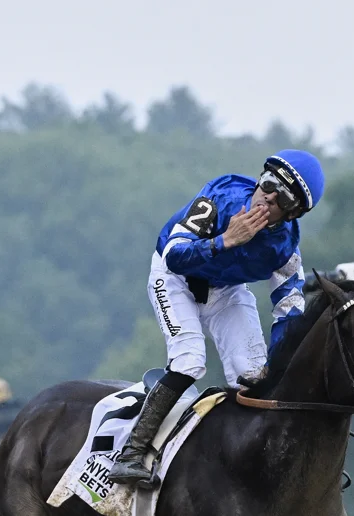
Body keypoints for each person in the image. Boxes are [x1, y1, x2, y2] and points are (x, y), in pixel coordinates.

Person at [109, 150, 326, 487]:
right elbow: (176, 257)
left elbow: (290, 309)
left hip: (225, 290)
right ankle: (132, 453)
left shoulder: (285, 248)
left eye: (279, 197)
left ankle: (249, 457)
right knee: (190, 361)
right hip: (174, 278)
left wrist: (280, 365)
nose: (266, 197)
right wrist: (225, 241)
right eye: (267, 183)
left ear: (292, 213)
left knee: (253, 376)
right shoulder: (222, 196)